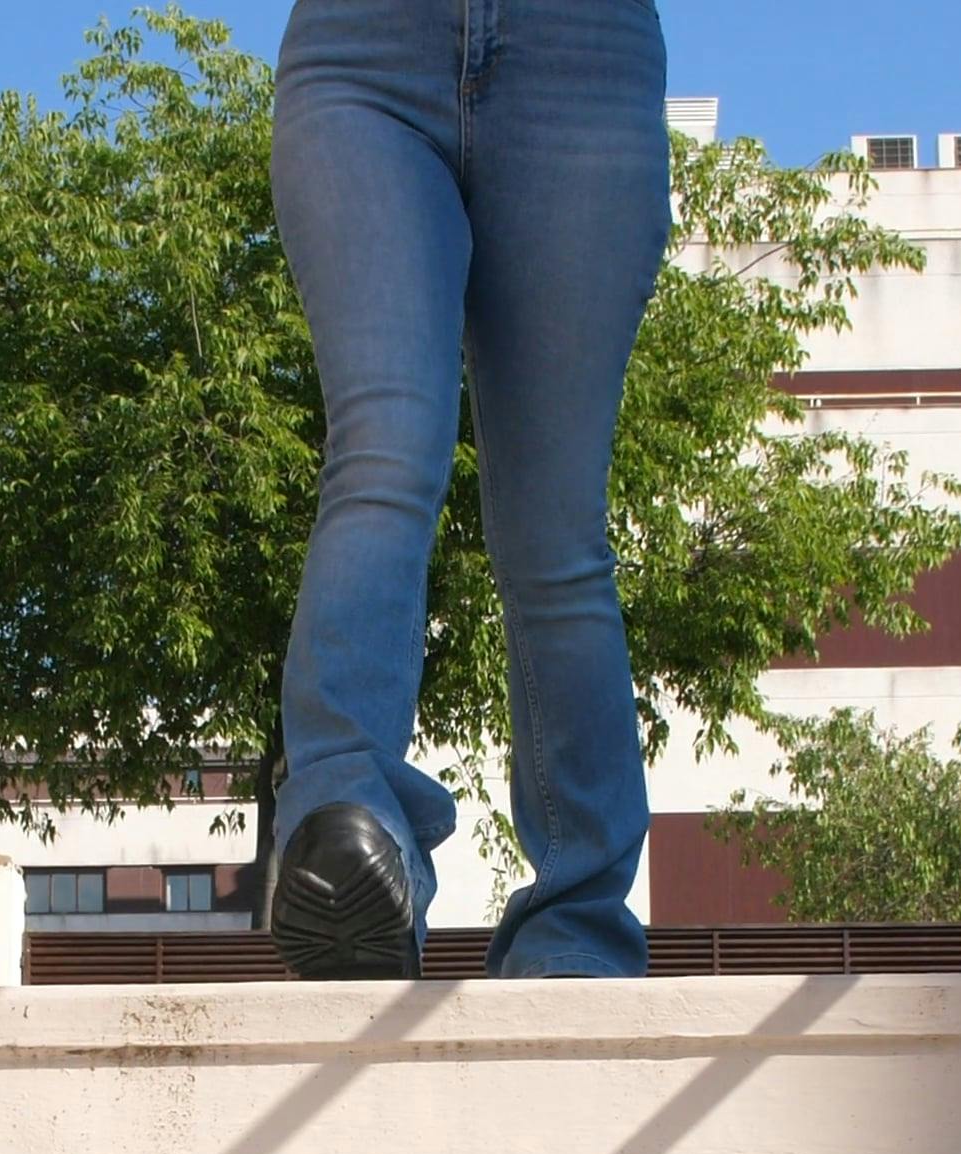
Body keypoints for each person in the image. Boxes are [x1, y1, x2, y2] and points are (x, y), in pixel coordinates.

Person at [262, 0, 671, 981]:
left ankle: (575, 925)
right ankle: (347, 834)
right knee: (384, 455)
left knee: (555, 532)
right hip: (365, 48)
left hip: (582, 54)